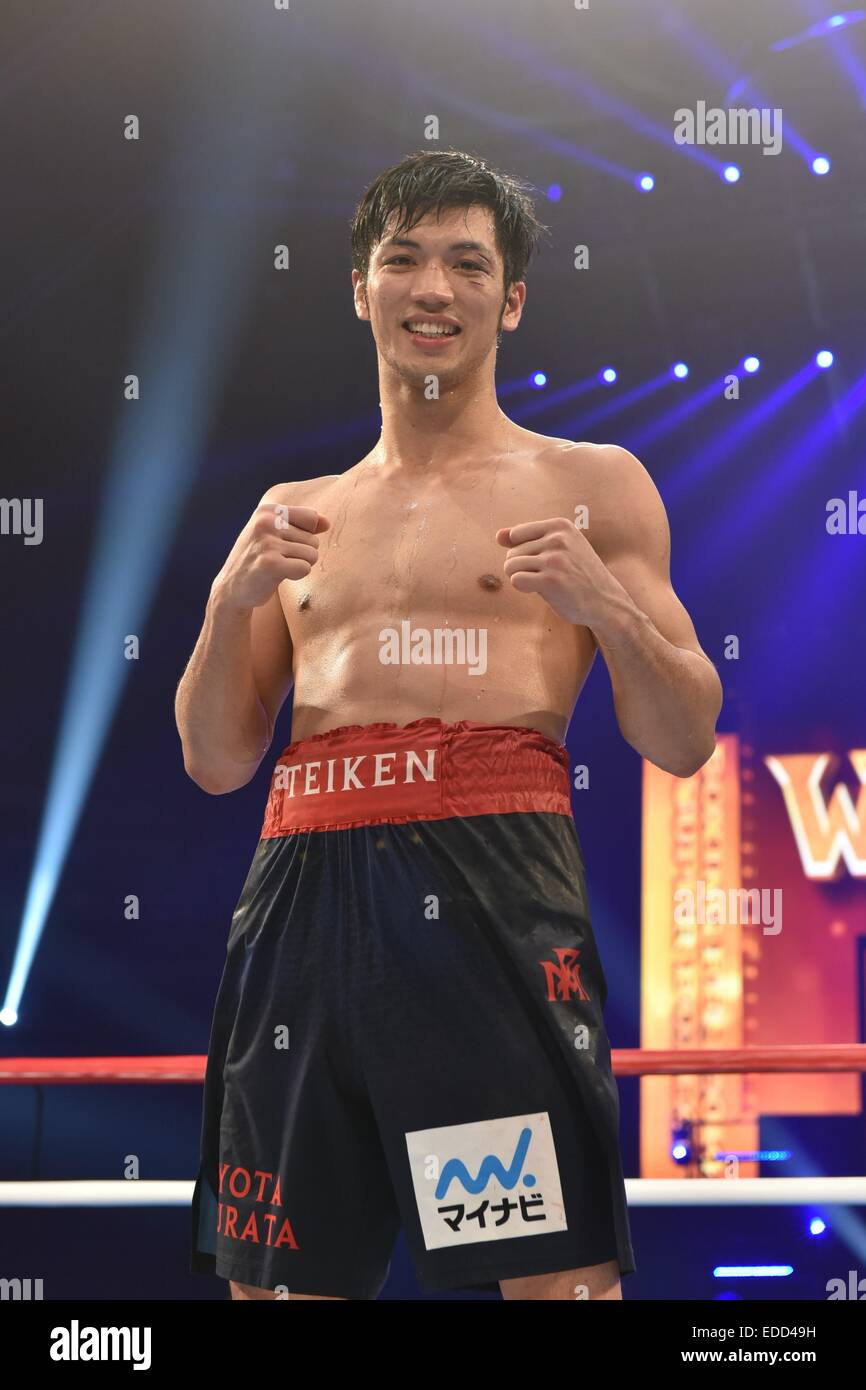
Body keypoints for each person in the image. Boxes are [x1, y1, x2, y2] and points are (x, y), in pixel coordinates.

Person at [177, 148, 723, 1301]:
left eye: (467, 264)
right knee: (279, 1290)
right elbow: (217, 759)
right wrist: (229, 606)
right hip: (300, 904)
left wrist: (605, 608)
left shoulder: (592, 483)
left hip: (486, 898)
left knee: (551, 1288)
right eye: (404, 260)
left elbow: (680, 737)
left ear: (510, 298)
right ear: (360, 288)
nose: (433, 288)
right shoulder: (296, 518)